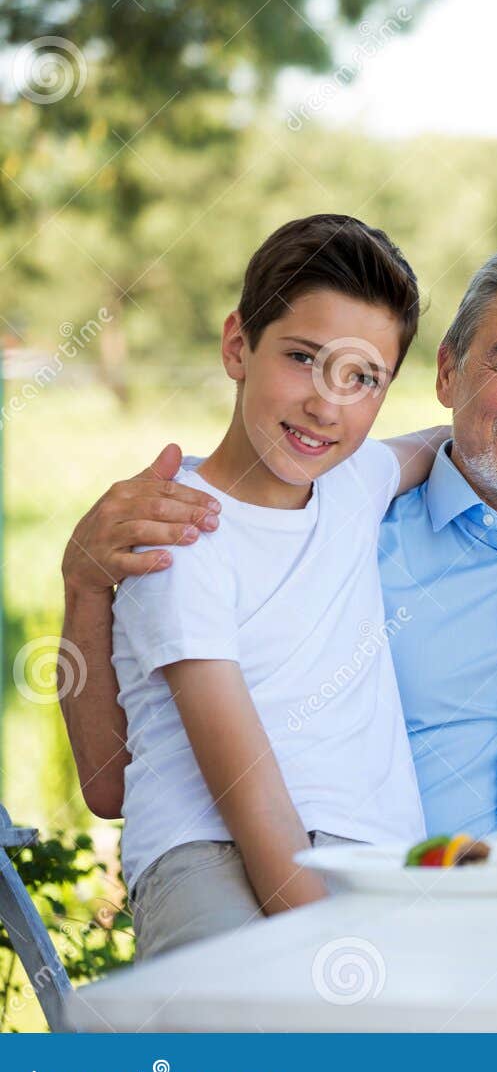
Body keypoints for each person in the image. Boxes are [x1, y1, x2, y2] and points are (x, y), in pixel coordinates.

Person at [61, 241, 497, 838]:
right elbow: (114, 784)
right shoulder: (338, 535)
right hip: (375, 928)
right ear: (448, 372)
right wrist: (85, 586)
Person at [111, 214, 443, 957]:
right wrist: (323, 940)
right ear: (239, 345)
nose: (329, 404)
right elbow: (246, 788)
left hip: (370, 850)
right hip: (215, 851)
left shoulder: (355, 481)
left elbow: (455, 443)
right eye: (304, 357)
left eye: (363, 378)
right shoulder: (182, 531)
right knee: (258, 1041)